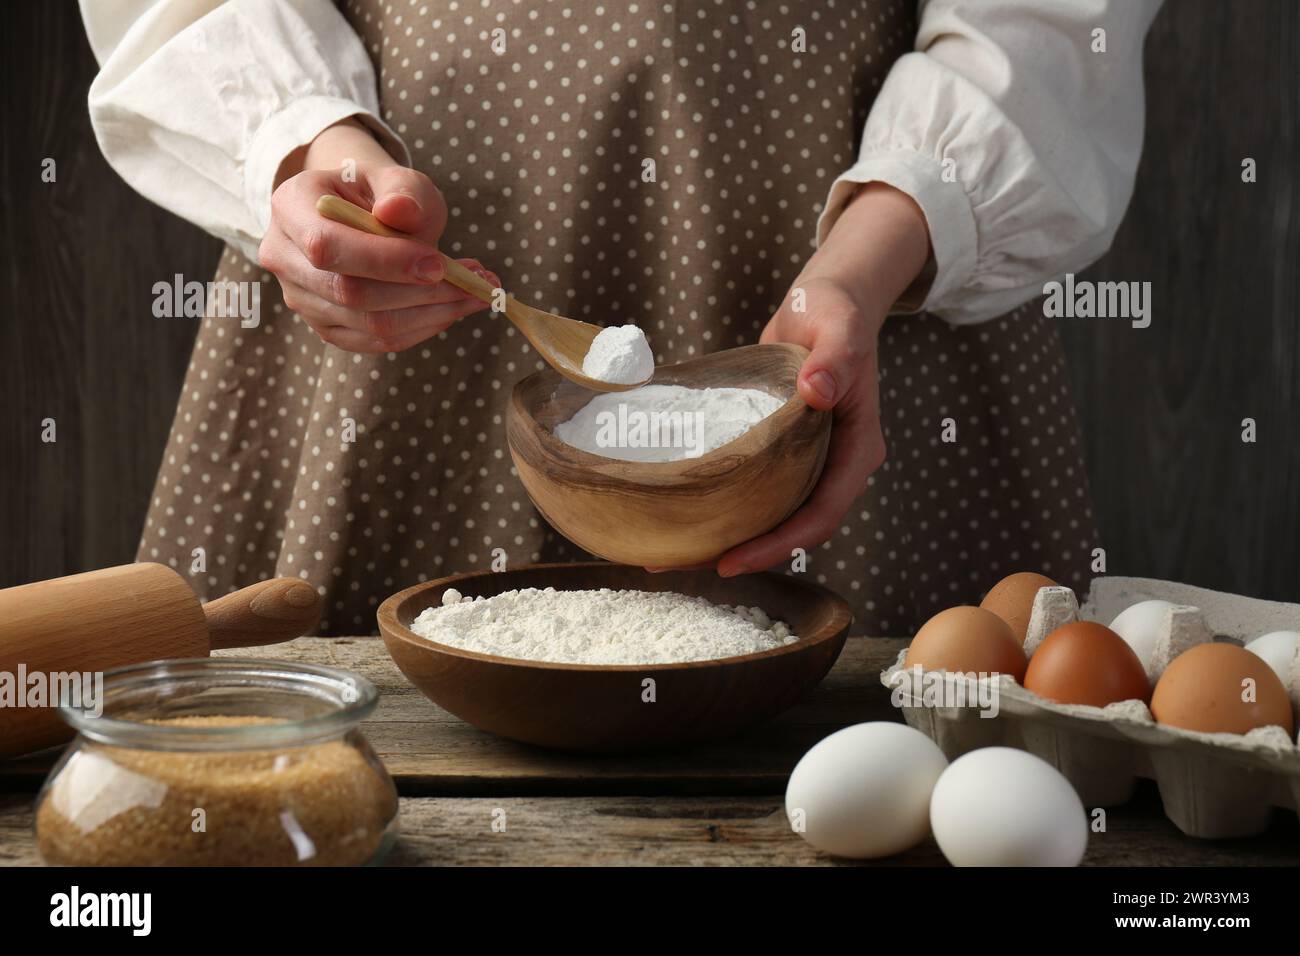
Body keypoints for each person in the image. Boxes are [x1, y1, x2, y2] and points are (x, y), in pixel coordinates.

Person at [80, 0, 1163, 634]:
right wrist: (297, 140)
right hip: (381, 242)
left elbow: (1056, 22)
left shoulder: (877, 257)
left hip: (867, 238)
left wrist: (879, 249)